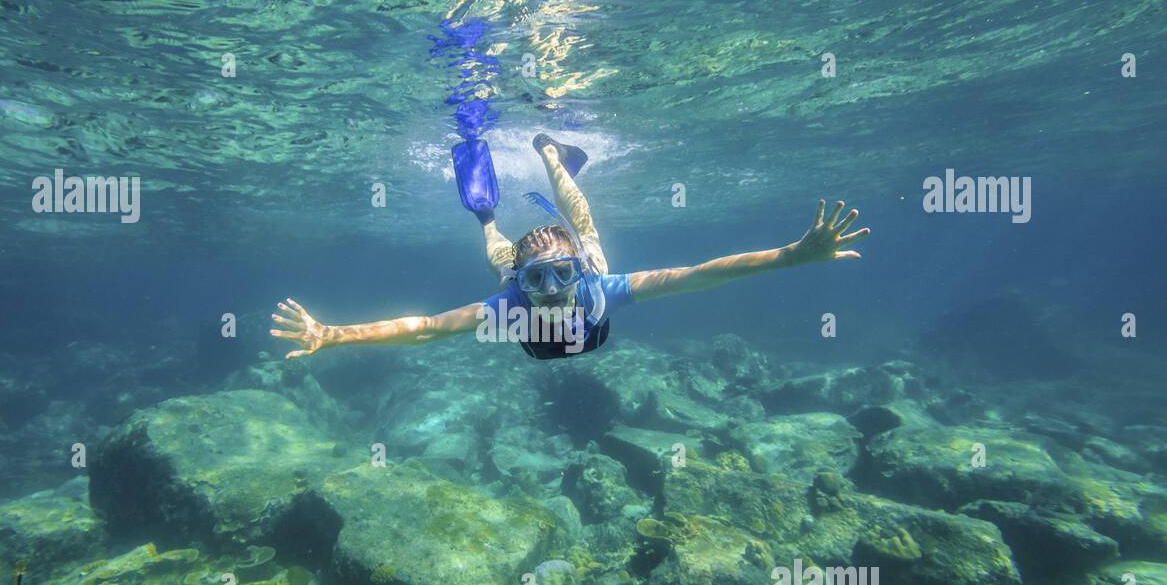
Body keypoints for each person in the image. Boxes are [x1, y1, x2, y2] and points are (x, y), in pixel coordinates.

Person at [271, 134, 870, 360]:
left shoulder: (596, 283)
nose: (551, 293)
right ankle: (485, 210)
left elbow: (700, 274)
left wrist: (792, 257)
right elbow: (426, 325)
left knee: (582, 221)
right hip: (524, 268)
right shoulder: (514, 302)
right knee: (496, 247)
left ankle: (552, 154)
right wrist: (331, 335)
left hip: (582, 256)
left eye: (559, 276)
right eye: (539, 282)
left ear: (577, 273)